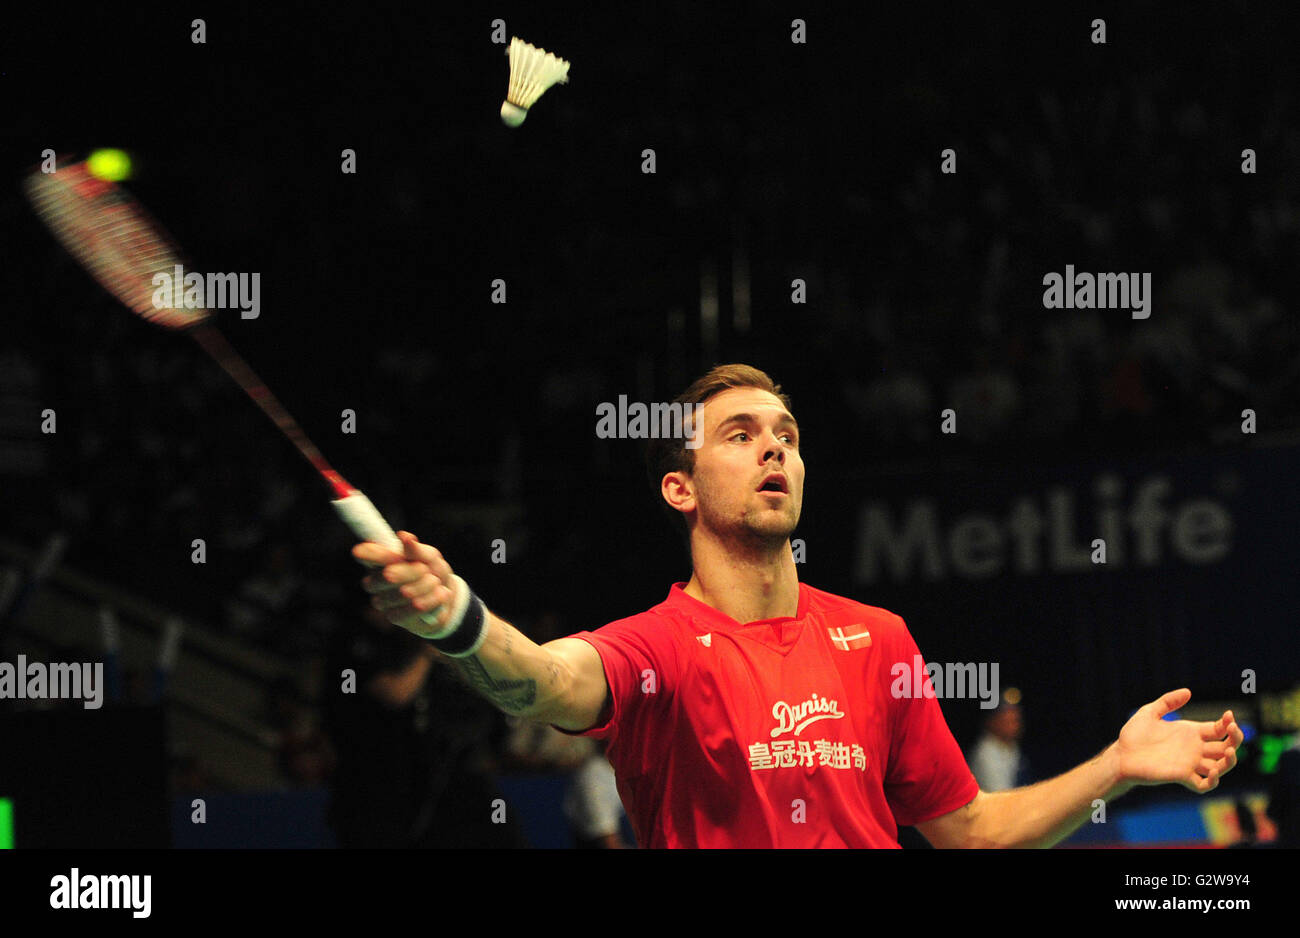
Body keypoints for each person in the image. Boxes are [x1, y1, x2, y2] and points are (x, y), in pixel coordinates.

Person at [354, 363, 1243, 848]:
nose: (774, 449)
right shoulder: (659, 650)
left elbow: (971, 829)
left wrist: (1116, 765)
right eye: (740, 436)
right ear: (679, 488)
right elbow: (544, 682)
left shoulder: (879, 638)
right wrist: (453, 618)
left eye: (786, 436)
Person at [969, 693, 1031, 793]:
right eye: (1007, 721)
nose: (1015, 726)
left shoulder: (1011, 746)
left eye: (1016, 720)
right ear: (991, 721)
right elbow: (1003, 795)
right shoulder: (986, 753)